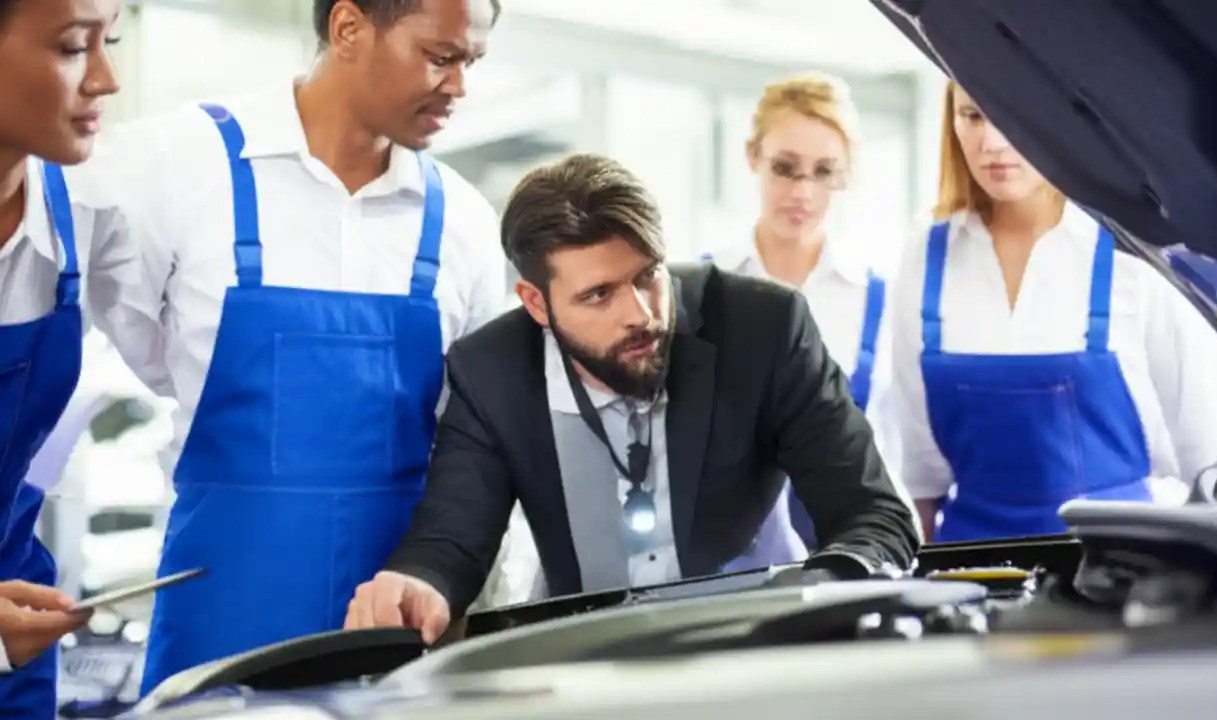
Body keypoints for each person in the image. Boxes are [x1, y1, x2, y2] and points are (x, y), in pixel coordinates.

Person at [69, 0, 514, 692]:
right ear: (348, 29)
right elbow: (139, 345)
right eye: (440, 56)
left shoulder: (463, 221)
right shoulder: (173, 167)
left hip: (395, 633)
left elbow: (477, 444)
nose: (460, 87)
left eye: (472, 62)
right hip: (219, 625)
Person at [342, 153, 919, 640]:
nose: (640, 314)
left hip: (757, 651)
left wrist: (820, 594)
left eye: (647, 275)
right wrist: (418, 583)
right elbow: (453, 538)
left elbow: (874, 513)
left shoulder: (764, 327)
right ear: (536, 303)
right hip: (587, 662)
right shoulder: (490, 372)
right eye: (598, 295)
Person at [889, 82, 1217, 543]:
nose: (990, 142)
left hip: (1115, 566)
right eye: (972, 116)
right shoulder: (926, 257)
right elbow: (920, 467)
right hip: (971, 563)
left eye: (1007, 112)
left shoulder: (1135, 257)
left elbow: (1210, 457)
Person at [703, 73, 907, 564]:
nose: (803, 193)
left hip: (847, 554)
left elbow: (895, 454)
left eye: (824, 172)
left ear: (847, 174)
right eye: (785, 168)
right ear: (752, 156)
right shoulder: (703, 288)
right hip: (732, 561)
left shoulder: (879, 297)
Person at [0, 0, 124, 711]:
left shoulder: (87, 213)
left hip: (20, 633)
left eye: (110, 41)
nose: (106, 78)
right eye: (77, 47)